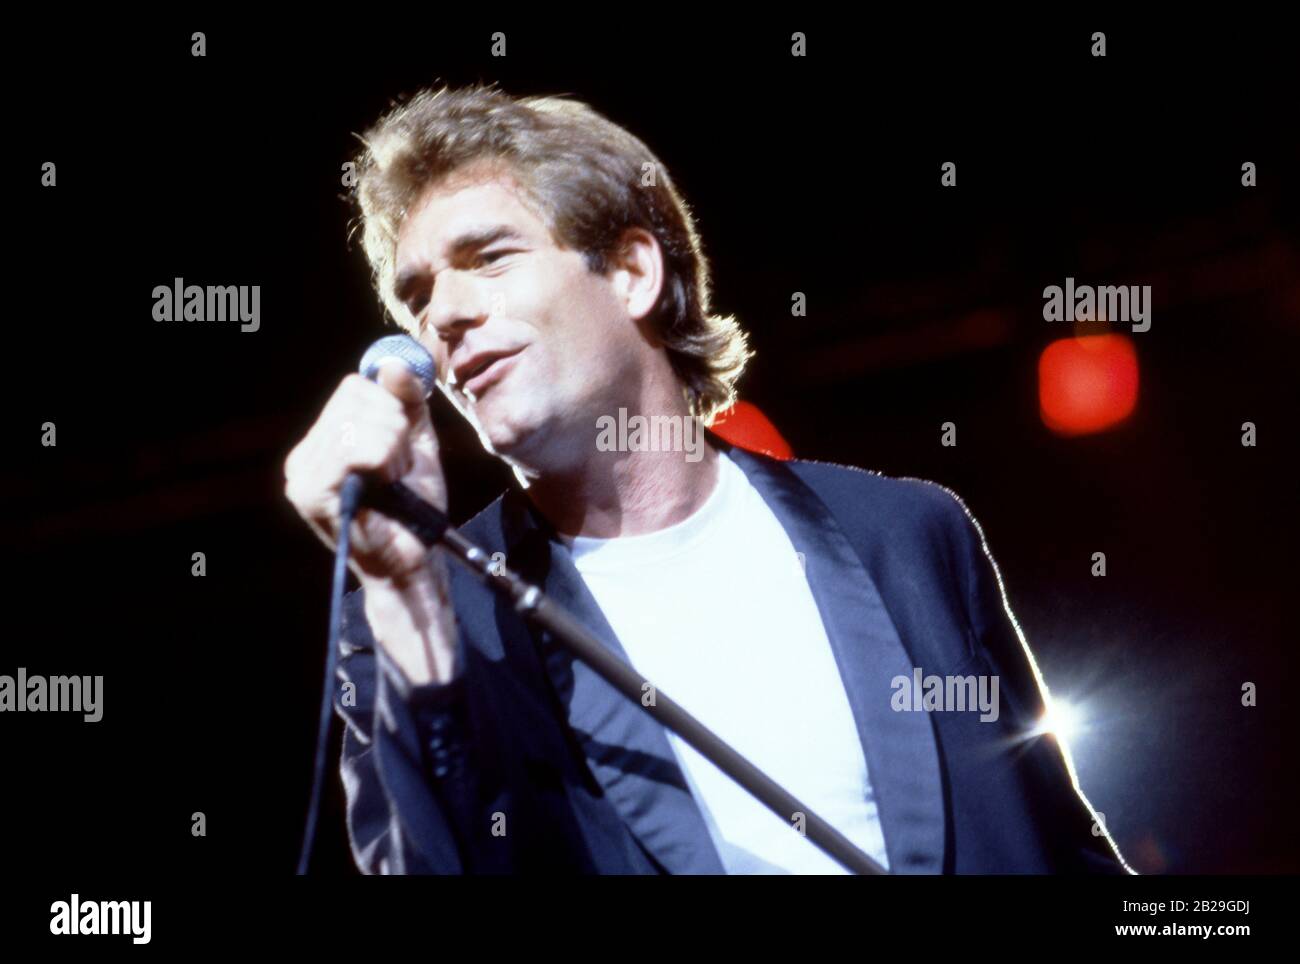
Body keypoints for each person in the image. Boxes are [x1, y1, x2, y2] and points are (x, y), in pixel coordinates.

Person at [283, 83, 1134, 875]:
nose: (445, 315)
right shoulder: (418, 623)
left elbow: (1063, 848)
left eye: (490, 257)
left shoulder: (906, 534)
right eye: (418, 295)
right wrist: (405, 598)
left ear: (632, 273)